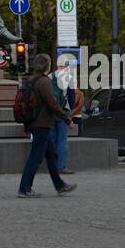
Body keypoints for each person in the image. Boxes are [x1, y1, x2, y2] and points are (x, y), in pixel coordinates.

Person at [17, 54, 77, 199]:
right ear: (47, 66)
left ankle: (60, 186)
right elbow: (53, 104)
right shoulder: (44, 82)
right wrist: (67, 119)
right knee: (35, 157)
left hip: (35, 122)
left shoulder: (31, 80)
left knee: (51, 156)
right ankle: (24, 188)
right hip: (42, 124)